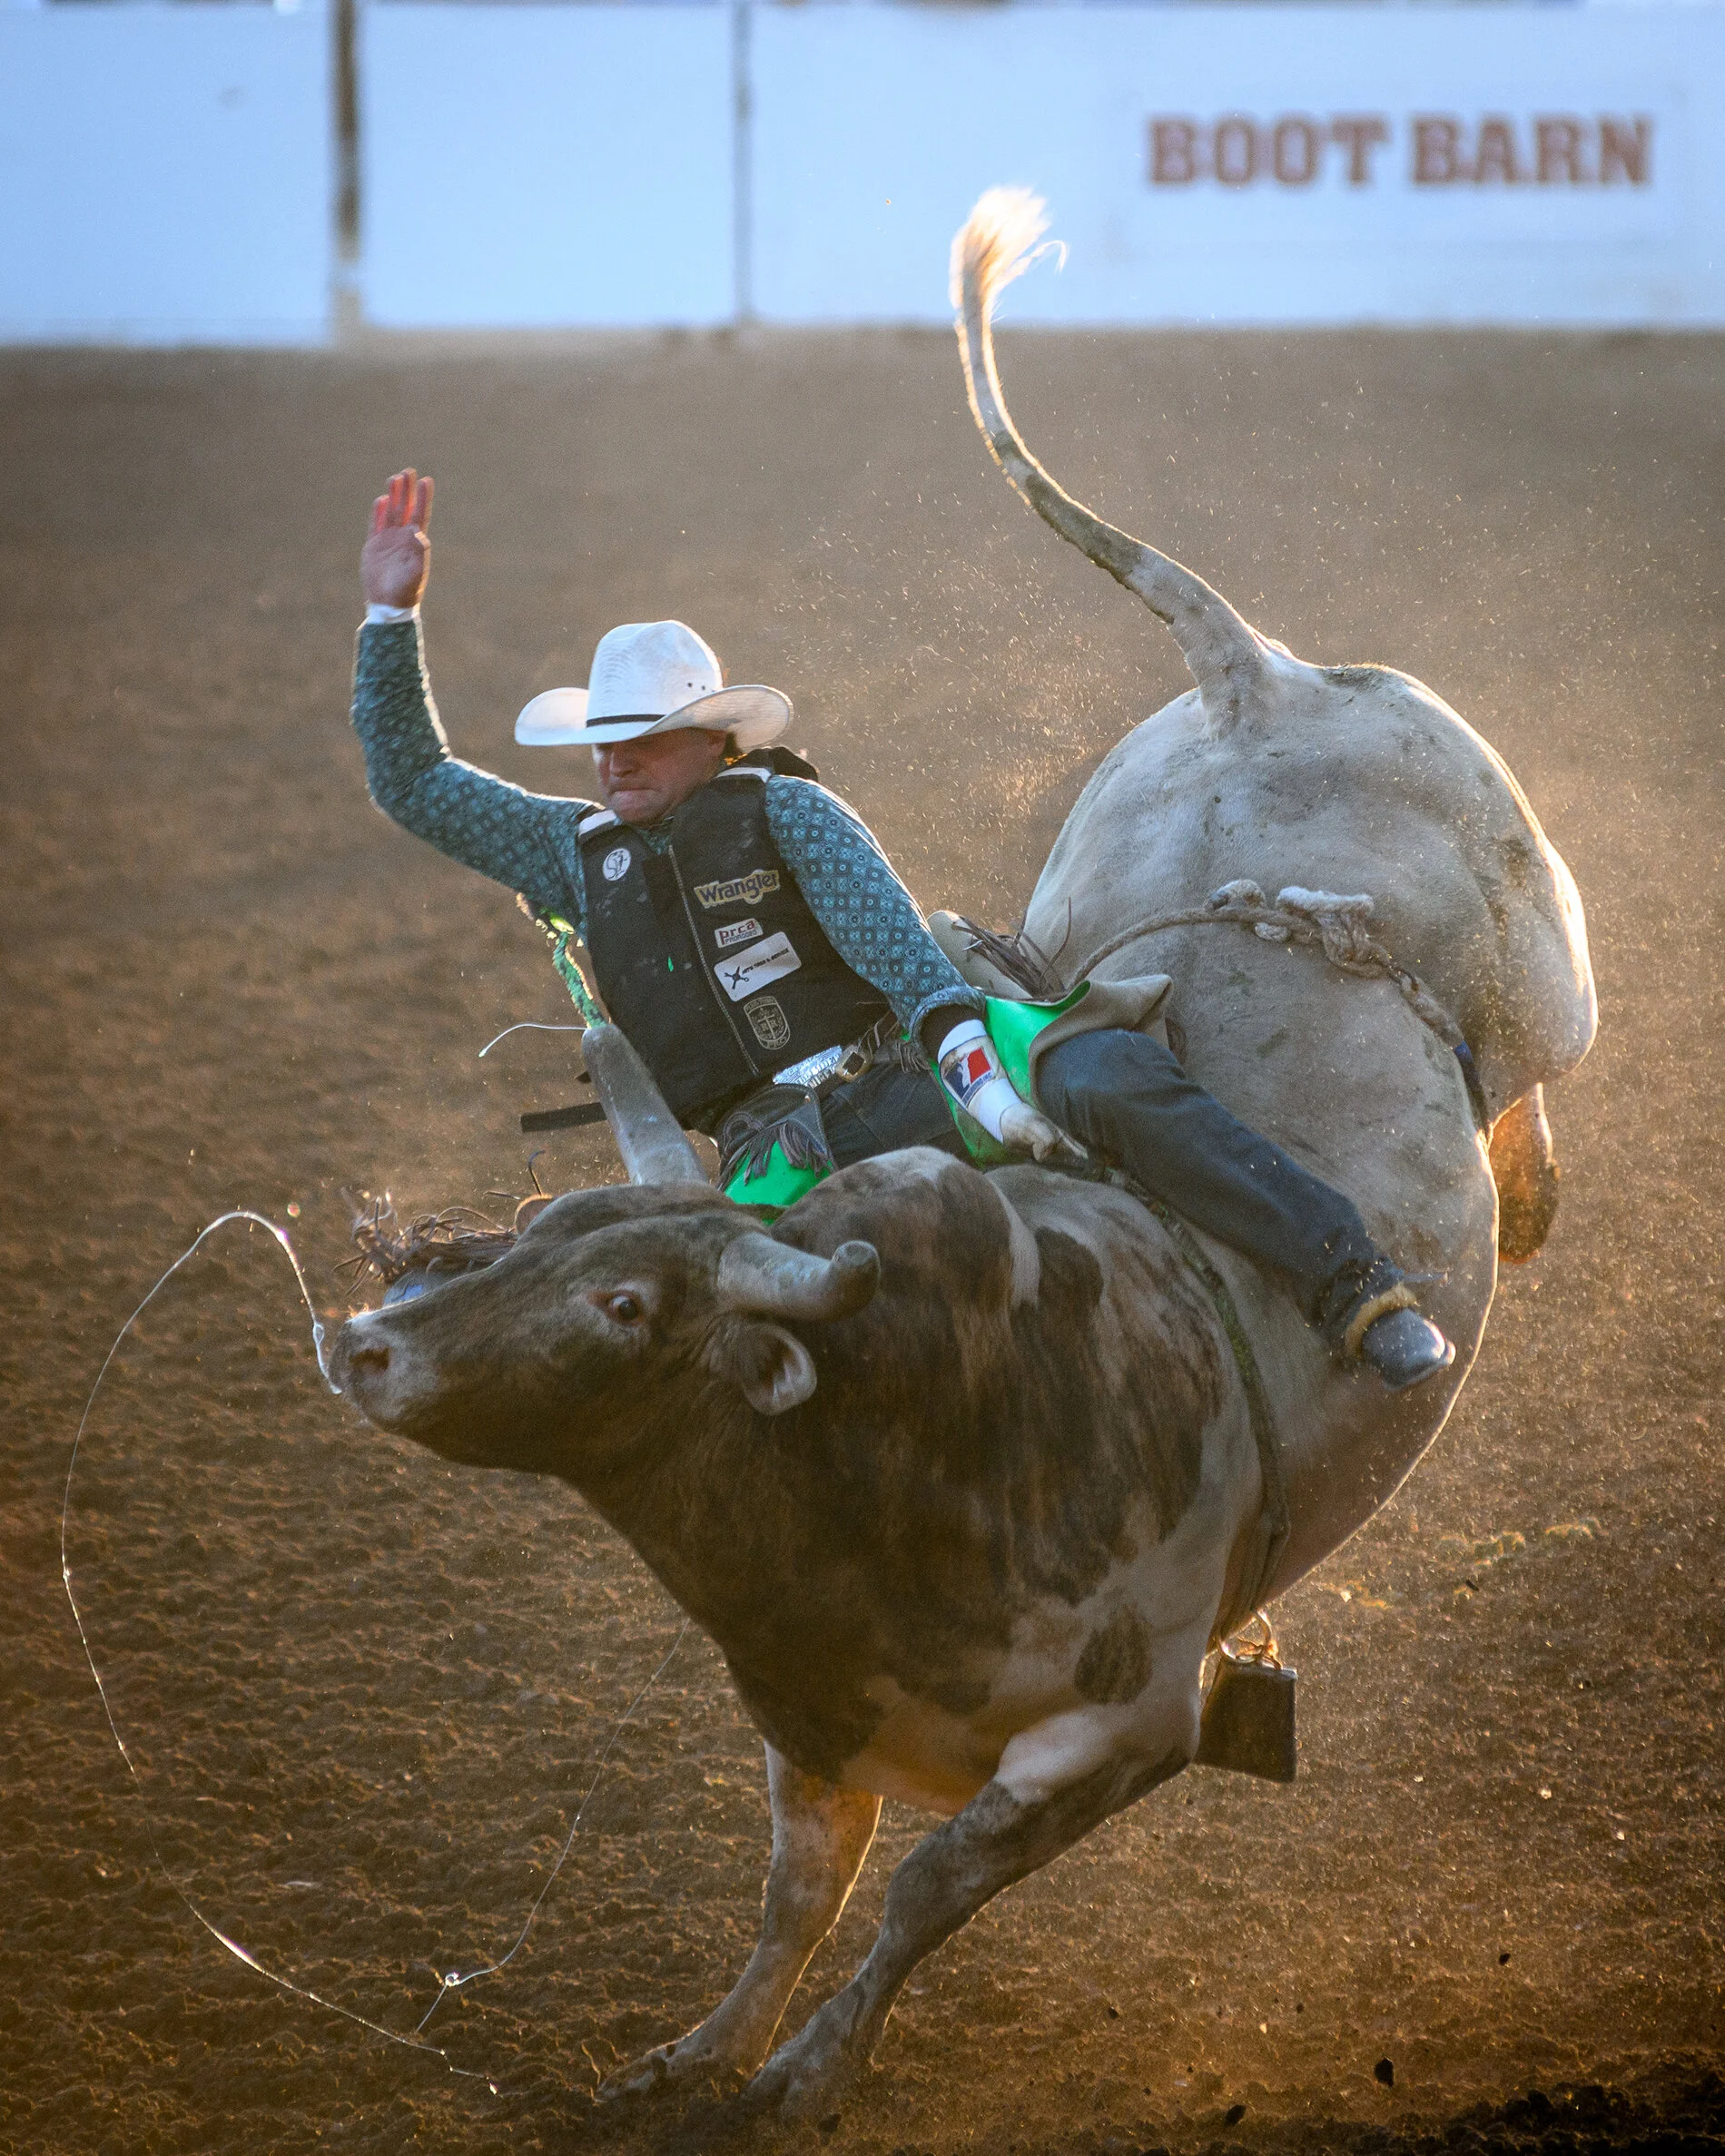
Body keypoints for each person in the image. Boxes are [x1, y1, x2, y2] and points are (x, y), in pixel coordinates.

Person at [350, 469, 1453, 1391]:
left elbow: (901, 959)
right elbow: (411, 782)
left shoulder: (783, 810)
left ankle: (1347, 1282)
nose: (612, 759)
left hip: (907, 1078)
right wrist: (390, 618)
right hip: (763, 1167)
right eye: (603, 739)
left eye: (641, 735)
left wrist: (973, 1065)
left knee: (1105, 1074)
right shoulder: (572, 855)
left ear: (707, 737)